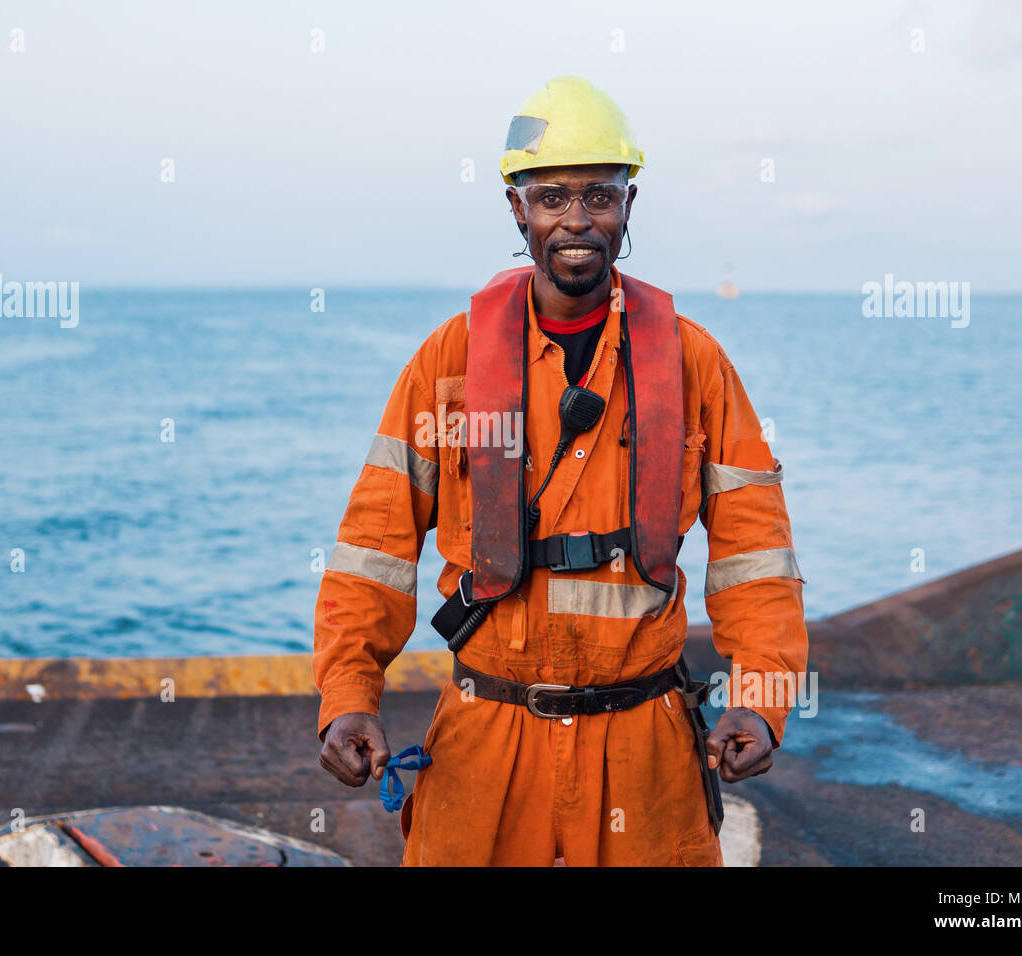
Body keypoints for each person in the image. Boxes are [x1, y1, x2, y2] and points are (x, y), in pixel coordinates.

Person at [313, 76, 808, 866]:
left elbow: (756, 556)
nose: (576, 220)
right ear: (518, 209)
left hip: (645, 748)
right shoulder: (449, 362)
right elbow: (374, 545)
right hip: (485, 737)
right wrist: (347, 698)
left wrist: (763, 701)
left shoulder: (693, 362)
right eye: (551, 198)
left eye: (599, 197)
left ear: (629, 206)